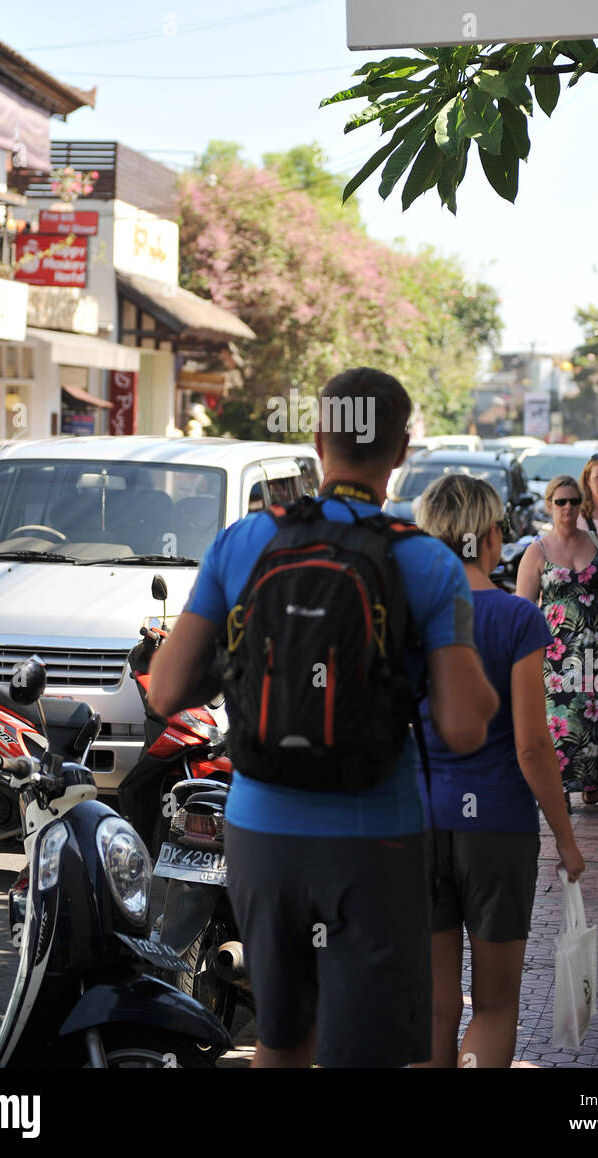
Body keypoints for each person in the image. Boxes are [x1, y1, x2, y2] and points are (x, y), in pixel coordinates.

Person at [147, 367, 499, 1069]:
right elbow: (463, 727)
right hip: (378, 839)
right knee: (362, 1052)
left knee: (279, 1041)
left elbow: (165, 690)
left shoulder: (244, 542)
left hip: (261, 832)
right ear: (401, 450)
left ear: (316, 440)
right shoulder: (426, 561)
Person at [411, 474, 585, 1069]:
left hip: (418, 824)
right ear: (490, 537)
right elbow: (534, 747)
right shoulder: (517, 619)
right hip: (498, 829)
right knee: (494, 1004)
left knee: (434, 1006)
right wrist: (566, 838)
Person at [517, 475, 598, 807]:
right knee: (558, 720)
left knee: (597, 716)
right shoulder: (537, 551)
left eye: (574, 501)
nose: (568, 508)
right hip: (555, 655)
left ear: (581, 505)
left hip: (597, 650)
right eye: (561, 502)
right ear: (550, 505)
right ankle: (558, 782)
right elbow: (524, 609)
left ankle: (592, 780)